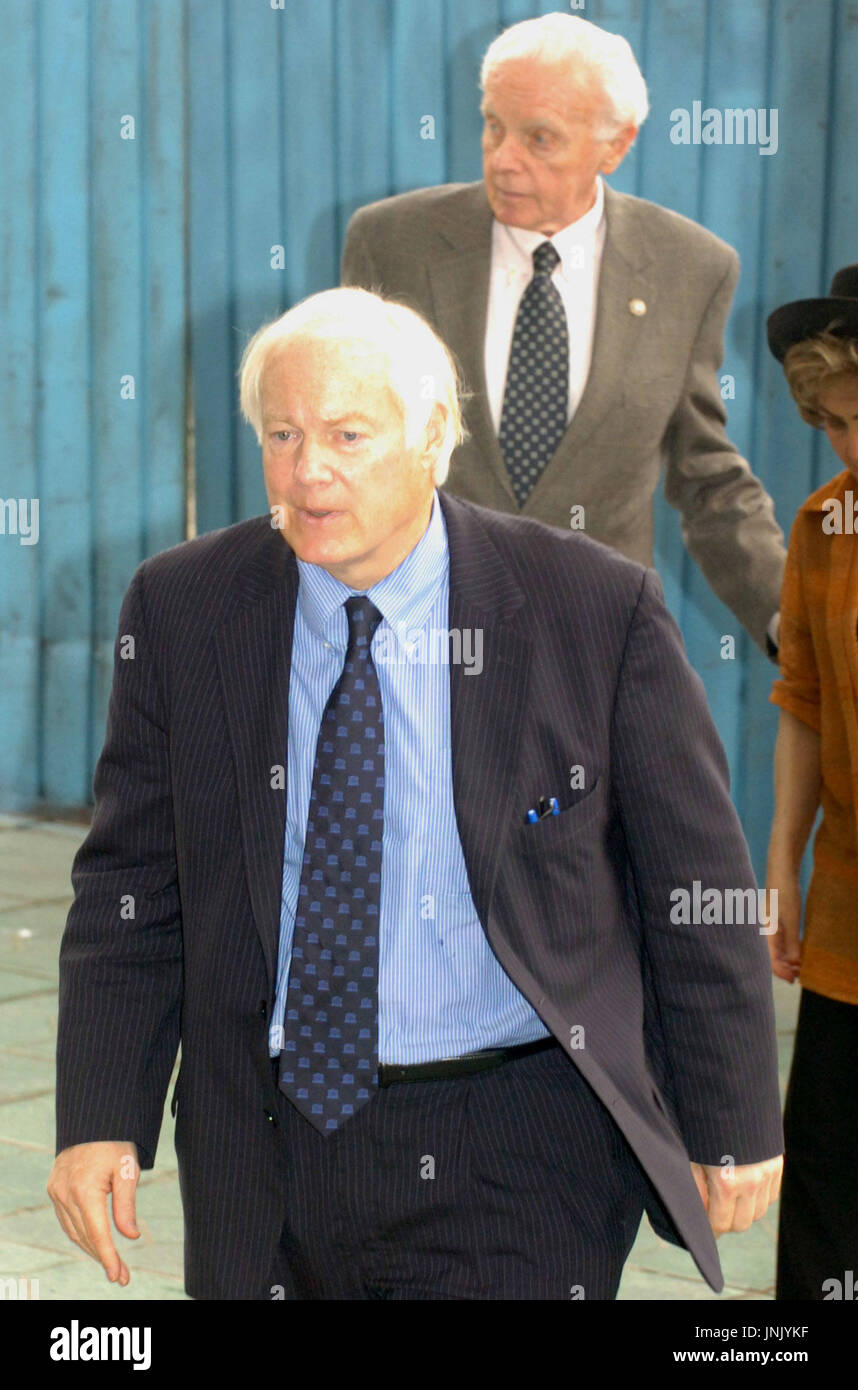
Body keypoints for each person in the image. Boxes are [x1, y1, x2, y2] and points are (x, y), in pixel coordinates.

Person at [48, 287, 783, 1301]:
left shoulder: (590, 606)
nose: (310, 470)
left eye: (349, 433)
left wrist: (732, 1115)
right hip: (266, 1148)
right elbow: (132, 883)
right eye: (283, 433)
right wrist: (99, 1114)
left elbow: (694, 881)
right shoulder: (184, 608)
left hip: (518, 1142)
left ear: (435, 435)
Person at [341, 11, 786, 659]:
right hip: (420, 647)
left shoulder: (691, 266)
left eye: (540, 138)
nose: (504, 160)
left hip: (598, 649)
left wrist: (794, 624)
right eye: (493, 126)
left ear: (617, 144)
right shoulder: (391, 245)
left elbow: (707, 476)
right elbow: (346, 446)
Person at [764, 264, 858, 1300]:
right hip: (848, 903)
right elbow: (805, 700)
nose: (850, 448)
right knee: (828, 1172)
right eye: (831, 424)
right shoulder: (825, 527)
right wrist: (780, 864)